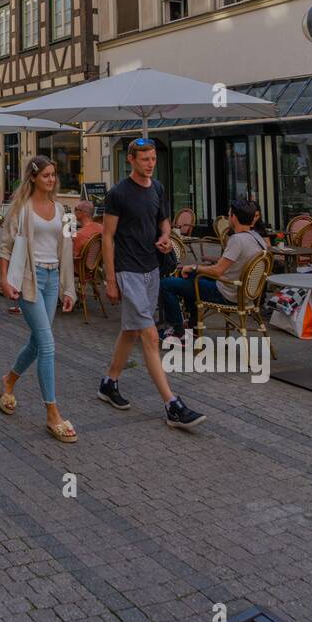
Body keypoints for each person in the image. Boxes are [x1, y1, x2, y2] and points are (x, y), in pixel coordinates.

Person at [100, 139, 205, 430]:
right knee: (150, 336)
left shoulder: (157, 189)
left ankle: (109, 382)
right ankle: (172, 405)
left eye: (153, 158)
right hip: (128, 270)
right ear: (130, 160)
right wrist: (110, 279)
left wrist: (165, 237)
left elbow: (165, 222)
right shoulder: (118, 194)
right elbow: (107, 237)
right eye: (144, 159)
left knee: (131, 330)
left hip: (151, 268)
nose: (150, 163)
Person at [0, 156, 78, 444]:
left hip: (53, 279)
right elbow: (5, 247)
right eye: (46, 176)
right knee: (47, 344)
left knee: (37, 341)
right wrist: (5, 280)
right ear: (33, 178)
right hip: (29, 279)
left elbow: (67, 250)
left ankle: (9, 381)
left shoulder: (63, 210)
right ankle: (52, 413)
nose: (52, 180)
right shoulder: (21, 209)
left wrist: (70, 288)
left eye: (54, 175)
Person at [160, 198, 267, 337]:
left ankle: (178, 332)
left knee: (166, 284)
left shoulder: (237, 240)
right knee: (191, 277)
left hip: (226, 293)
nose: (229, 217)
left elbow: (217, 270)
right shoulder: (258, 239)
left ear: (234, 217)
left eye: (229, 215)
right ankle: (192, 327)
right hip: (244, 293)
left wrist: (194, 267)